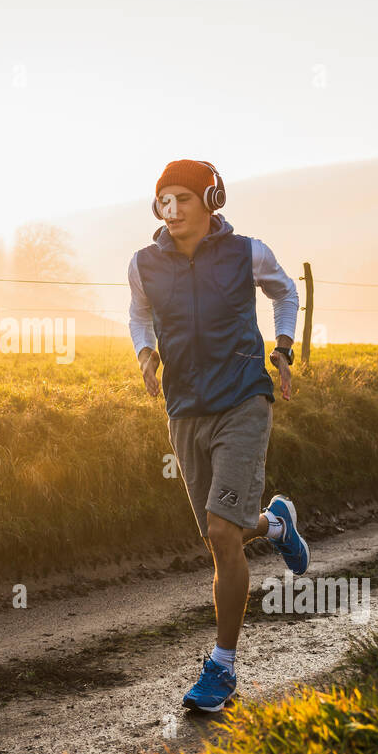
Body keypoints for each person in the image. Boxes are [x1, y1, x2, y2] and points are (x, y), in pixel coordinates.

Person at [127, 158, 310, 713]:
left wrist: (282, 346)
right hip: (184, 409)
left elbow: (286, 294)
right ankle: (276, 524)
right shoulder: (142, 264)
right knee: (220, 532)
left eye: (185, 198)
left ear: (212, 199)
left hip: (243, 400)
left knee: (222, 536)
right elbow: (139, 315)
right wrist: (145, 352)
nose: (173, 209)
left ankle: (222, 667)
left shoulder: (246, 252)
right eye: (165, 200)